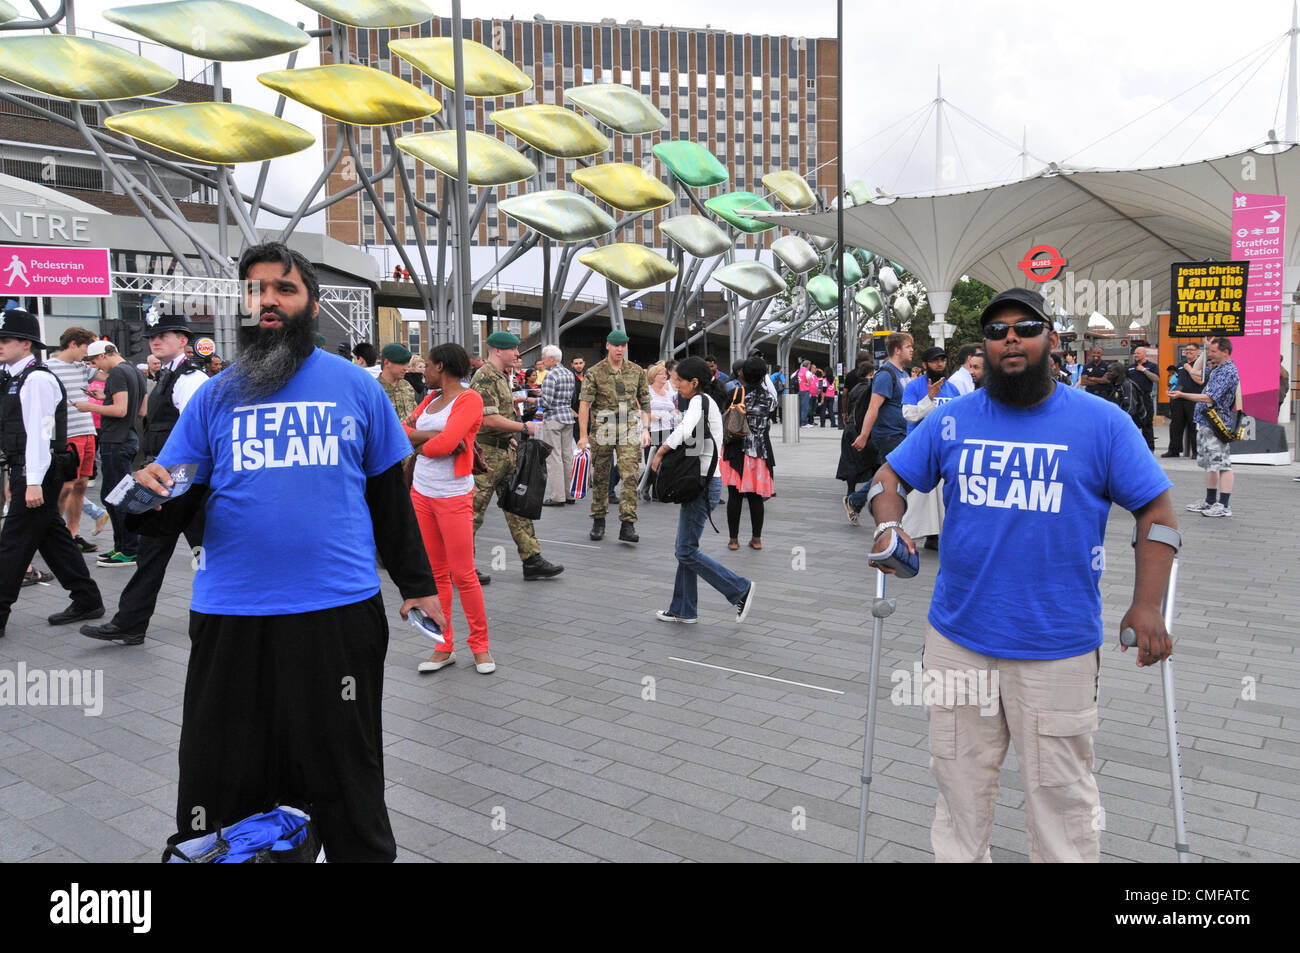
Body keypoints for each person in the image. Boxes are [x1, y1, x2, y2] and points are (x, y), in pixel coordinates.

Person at [138, 241, 445, 862]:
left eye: (284, 288)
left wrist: (417, 584)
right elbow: (170, 504)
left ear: (308, 302)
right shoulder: (215, 395)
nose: (269, 301)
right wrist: (146, 494)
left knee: (342, 760)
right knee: (223, 763)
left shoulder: (356, 389)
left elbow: (390, 495)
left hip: (337, 610)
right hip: (232, 612)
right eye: (256, 290)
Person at [865, 286, 1177, 863]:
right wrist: (890, 527)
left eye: (1026, 327)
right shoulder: (951, 419)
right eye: (998, 329)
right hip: (958, 640)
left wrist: (1148, 605)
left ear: (1051, 341)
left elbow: (1157, 515)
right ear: (982, 347)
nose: (1012, 336)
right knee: (958, 797)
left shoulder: (1102, 423)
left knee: (1063, 808)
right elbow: (888, 480)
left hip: (1056, 647)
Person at [81, 300, 207, 644]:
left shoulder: (190, 379)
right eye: (152, 335)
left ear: (183, 339)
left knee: (207, 557)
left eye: (164, 335)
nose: (155, 341)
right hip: (165, 482)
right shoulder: (168, 375)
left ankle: (223, 619)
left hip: (187, 483)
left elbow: (196, 431)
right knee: (152, 554)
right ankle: (130, 622)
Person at [0, 308, 104, 639]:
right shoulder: (12, 376)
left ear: (26, 344)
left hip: (38, 472)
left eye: (7, 339)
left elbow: (40, 435)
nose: (1, 344)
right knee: (52, 537)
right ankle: (87, 598)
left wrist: (31, 482)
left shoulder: (38, 380)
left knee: (13, 544)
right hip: (28, 469)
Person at [650, 356, 757, 625]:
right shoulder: (703, 401)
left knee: (685, 550)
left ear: (694, 382)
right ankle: (683, 609)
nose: (675, 386)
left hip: (703, 483)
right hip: (702, 482)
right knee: (685, 548)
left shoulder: (700, 401)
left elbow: (685, 430)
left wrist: (661, 451)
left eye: (678, 381)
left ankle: (739, 588)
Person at [406, 343, 492, 675]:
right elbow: (404, 432)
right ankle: (443, 645)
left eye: (426, 366)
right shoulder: (429, 400)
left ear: (441, 367)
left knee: (464, 574)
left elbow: (445, 445)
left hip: (454, 496)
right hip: (421, 493)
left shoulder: (469, 400)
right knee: (436, 575)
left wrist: (422, 441)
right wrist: (429, 436)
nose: (422, 371)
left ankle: (481, 647)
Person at [469, 331, 564, 579]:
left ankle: (532, 559)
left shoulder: (500, 376)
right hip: (486, 456)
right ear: (498, 351)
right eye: (513, 349)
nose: (517, 354)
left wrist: (511, 437)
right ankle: (462, 566)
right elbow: (487, 418)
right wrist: (523, 428)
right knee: (474, 512)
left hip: (503, 451)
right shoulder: (485, 377)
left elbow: (500, 414)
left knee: (517, 508)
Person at [577, 330, 651, 544]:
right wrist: (583, 435)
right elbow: (584, 405)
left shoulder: (636, 371)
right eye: (616, 345)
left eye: (623, 345)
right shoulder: (595, 372)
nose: (620, 349)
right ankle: (598, 520)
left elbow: (645, 401)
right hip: (603, 425)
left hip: (628, 425)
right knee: (601, 475)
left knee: (630, 474)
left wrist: (645, 428)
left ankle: (627, 524)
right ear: (607, 346)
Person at [76, 341, 143, 570]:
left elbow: (120, 410)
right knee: (117, 495)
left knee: (116, 496)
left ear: (105, 356)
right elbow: (140, 410)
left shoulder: (116, 372)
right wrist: (104, 396)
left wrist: (90, 406)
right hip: (128, 437)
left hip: (116, 440)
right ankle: (123, 546)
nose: (96, 368)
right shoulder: (134, 370)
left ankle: (128, 549)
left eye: (95, 362)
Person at [843, 332, 913, 525]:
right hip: (888, 434)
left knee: (890, 472)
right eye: (908, 347)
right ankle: (888, 510)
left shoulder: (904, 374)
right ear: (897, 350)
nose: (912, 350)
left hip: (901, 432)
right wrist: (864, 435)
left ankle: (856, 501)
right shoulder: (886, 374)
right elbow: (873, 408)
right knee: (897, 471)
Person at [1174, 336, 1239, 519]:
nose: (1210, 354)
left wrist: (1182, 394)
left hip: (1217, 422)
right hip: (1206, 422)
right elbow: (1196, 370)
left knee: (1223, 463)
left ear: (1225, 352)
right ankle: (1210, 501)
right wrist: (1205, 347)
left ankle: (1224, 505)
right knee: (1211, 464)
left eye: (1213, 351)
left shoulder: (1227, 371)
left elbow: (1209, 398)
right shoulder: (1217, 368)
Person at [900, 346, 957, 550]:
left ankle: (936, 536)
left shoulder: (952, 389)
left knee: (943, 497)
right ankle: (903, 538)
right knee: (919, 497)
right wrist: (929, 399)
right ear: (925, 365)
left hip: (946, 450)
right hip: (920, 449)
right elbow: (909, 414)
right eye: (935, 360)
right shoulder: (914, 387)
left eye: (942, 360)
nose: (940, 364)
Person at [721, 357, 776, 551]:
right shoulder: (770, 398)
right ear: (763, 376)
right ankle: (757, 539)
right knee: (755, 497)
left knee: (734, 496)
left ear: (742, 373)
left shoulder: (736, 393)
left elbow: (724, 414)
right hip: (760, 453)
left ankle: (733, 540)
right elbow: (768, 419)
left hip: (736, 450)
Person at [537, 344, 577, 507]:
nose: (543, 361)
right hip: (567, 417)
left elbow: (545, 402)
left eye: (544, 358)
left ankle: (557, 496)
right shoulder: (569, 373)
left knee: (554, 458)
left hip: (553, 418)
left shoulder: (550, 375)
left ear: (552, 359)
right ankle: (569, 494)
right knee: (567, 456)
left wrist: (528, 398)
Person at [836, 360, 878, 497]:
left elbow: (847, 402)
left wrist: (845, 416)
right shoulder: (871, 388)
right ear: (871, 373)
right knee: (874, 460)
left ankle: (851, 491)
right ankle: (873, 489)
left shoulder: (855, 388)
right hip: (863, 428)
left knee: (850, 459)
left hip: (850, 426)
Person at [642, 361, 679, 498]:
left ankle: (655, 490)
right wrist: (651, 416)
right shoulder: (646, 391)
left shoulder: (668, 392)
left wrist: (676, 415)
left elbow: (673, 408)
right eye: (661, 374)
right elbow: (637, 411)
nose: (665, 376)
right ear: (653, 376)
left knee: (665, 461)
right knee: (653, 460)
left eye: (665, 374)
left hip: (668, 429)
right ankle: (646, 486)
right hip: (653, 429)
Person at [1164, 342, 1202, 458]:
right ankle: (1174, 450)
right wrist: (1172, 391)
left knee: (1193, 425)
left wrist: (1189, 369)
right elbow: (1178, 381)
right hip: (1179, 397)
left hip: (1193, 397)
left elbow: (1200, 381)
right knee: (1175, 425)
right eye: (1187, 350)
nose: (1188, 351)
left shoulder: (1200, 364)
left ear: (1197, 351)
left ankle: (1196, 452)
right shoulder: (1181, 364)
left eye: (1191, 350)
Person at [1125, 346, 1159, 450]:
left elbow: (1156, 378)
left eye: (1138, 353)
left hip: (1145, 398)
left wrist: (1143, 370)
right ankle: (1133, 447)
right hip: (1133, 399)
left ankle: (1149, 448)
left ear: (1145, 354)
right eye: (1135, 353)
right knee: (1132, 424)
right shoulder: (1130, 367)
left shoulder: (1152, 366)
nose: (1136, 355)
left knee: (1147, 424)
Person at [376, 342, 416, 423]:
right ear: (387, 363)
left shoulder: (406, 386)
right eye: (401, 363)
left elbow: (414, 413)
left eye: (407, 363)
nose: (406, 368)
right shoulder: (375, 389)